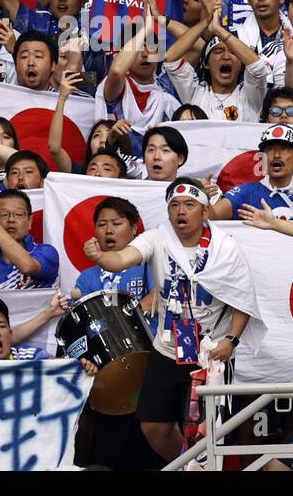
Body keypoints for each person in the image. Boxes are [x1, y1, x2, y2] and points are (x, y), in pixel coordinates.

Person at [83, 178, 254, 461]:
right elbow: (122, 259)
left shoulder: (225, 247)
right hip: (167, 347)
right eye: (174, 205)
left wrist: (232, 340)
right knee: (153, 425)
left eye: (189, 205)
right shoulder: (157, 237)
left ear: (205, 212)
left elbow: (243, 297)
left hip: (209, 351)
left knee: (203, 428)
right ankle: (187, 466)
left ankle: (200, 466)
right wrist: (101, 257)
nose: (181, 212)